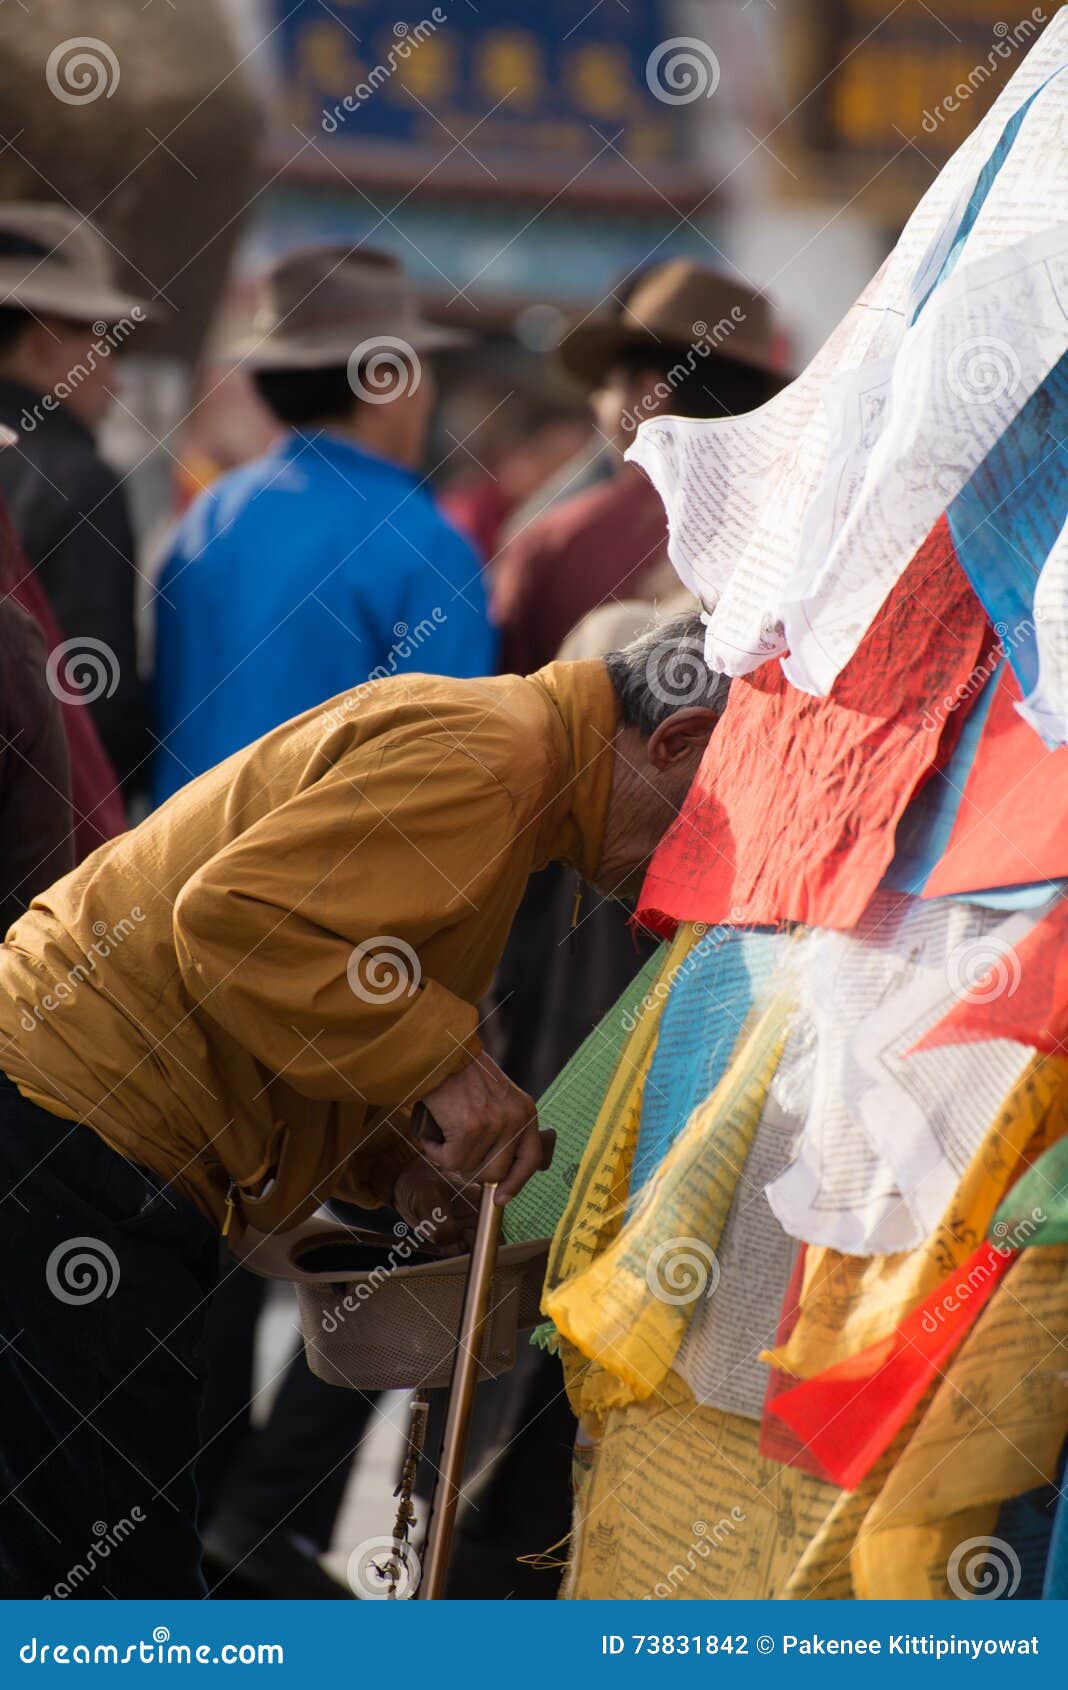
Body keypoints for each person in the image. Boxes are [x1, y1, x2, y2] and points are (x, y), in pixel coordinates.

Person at [0, 614, 727, 1598]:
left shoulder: (515, 763)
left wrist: (399, 1165)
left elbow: (310, 994)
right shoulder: (500, 755)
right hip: (68, 1126)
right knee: (106, 1575)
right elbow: (239, 923)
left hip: (82, 1129)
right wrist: (446, 1063)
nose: (708, 858)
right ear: (677, 739)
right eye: (721, 812)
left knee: (75, 1545)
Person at [152, 244, 497, 804]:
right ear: (384, 381)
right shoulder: (426, 543)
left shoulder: (211, 514)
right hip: (333, 859)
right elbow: (445, 771)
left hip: (176, 851)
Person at [491, 259, 786, 674]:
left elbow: (503, 696)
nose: (597, 404)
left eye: (607, 387)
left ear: (650, 394)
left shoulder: (554, 542)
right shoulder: (795, 528)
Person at [0, 203, 150, 799]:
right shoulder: (79, 483)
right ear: (45, 342)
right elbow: (97, 710)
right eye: (105, 345)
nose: (116, 379)